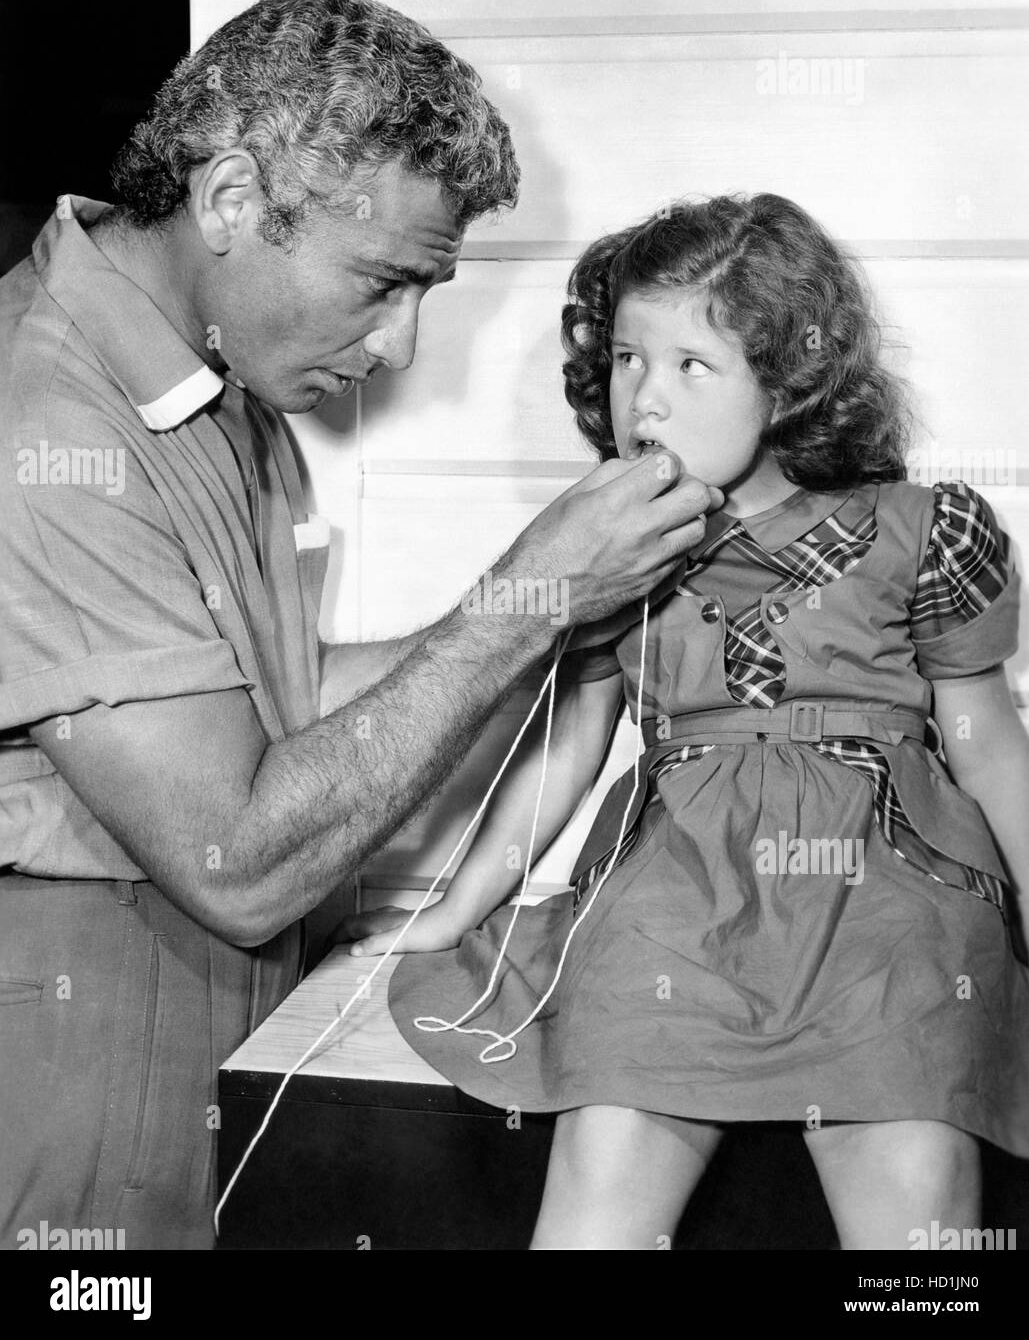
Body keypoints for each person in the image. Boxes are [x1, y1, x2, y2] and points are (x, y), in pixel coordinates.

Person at [0, 0, 720, 1250]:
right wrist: (529, 596)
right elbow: (237, 855)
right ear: (231, 199)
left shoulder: (219, 383)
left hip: (214, 1084)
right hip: (65, 1131)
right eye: (384, 283)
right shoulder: (45, 424)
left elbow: (272, 708)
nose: (397, 344)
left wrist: (556, 619)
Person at [347, 193, 1029, 1250]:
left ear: (790, 380)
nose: (644, 398)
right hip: (677, 897)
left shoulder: (918, 533)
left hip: (885, 892)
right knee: (603, 1153)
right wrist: (454, 905)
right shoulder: (613, 547)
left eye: (689, 366)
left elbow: (986, 744)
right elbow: (566, 750)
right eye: (626, 359)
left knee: (915, 1171)